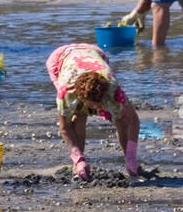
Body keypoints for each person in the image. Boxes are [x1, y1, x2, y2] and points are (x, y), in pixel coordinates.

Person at [46, 42, 142, 181]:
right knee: (79, 114)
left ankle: (129, 163)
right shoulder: (66, 93)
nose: (97, 109)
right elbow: (65, 128)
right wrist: (78, 158)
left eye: (100, 104)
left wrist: (131, 157)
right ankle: (78, 164)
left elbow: (133, 120)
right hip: (60, 59)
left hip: (93, 52)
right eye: (94, 105)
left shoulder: (111, 86)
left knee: (120, 119)